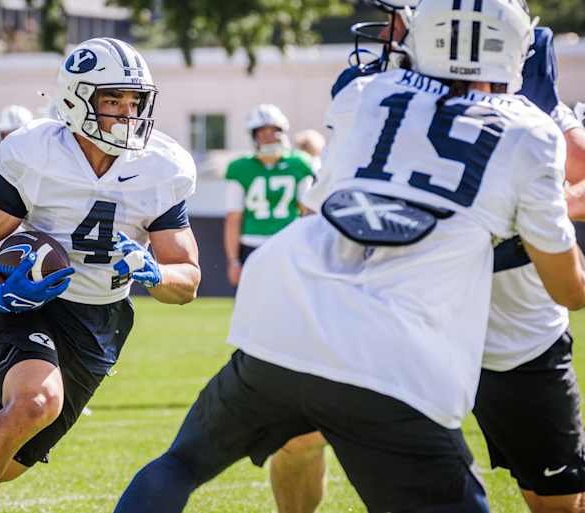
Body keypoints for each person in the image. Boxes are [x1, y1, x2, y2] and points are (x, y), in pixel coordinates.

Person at [113, 1, 585, 512]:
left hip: (286, 314)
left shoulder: (368, 93)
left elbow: (324, 205)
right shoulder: (529, 132)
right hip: (392, 350)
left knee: (180, 464)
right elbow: (570, 289)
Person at [266, 3, 585, 513]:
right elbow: (321, 209)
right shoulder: (370, 92)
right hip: (399, 311)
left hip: (512, 321)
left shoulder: (520, 85)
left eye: (398, 15)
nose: (387, 32)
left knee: (556, 501)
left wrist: (523, 208)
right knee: (296, 434)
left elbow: (576, 169)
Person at [0, 37, 200, 513]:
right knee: (36, 402)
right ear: (76, 100)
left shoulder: (161, 166)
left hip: (100, 322)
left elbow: (187, 281)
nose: (128, 113)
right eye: (113, 100)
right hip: (31, 304)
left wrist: (154, 273)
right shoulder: (35, 153)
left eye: (135, 101)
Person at [223, 104, 314, 287]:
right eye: (263, 132)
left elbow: (308, 212)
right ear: (254, 136)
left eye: (273, 132)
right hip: (254, 244)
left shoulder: (300, 163)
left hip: (288, 242)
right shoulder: (240, 167)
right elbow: (233, 217)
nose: (269, 137)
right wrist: (233, 260)